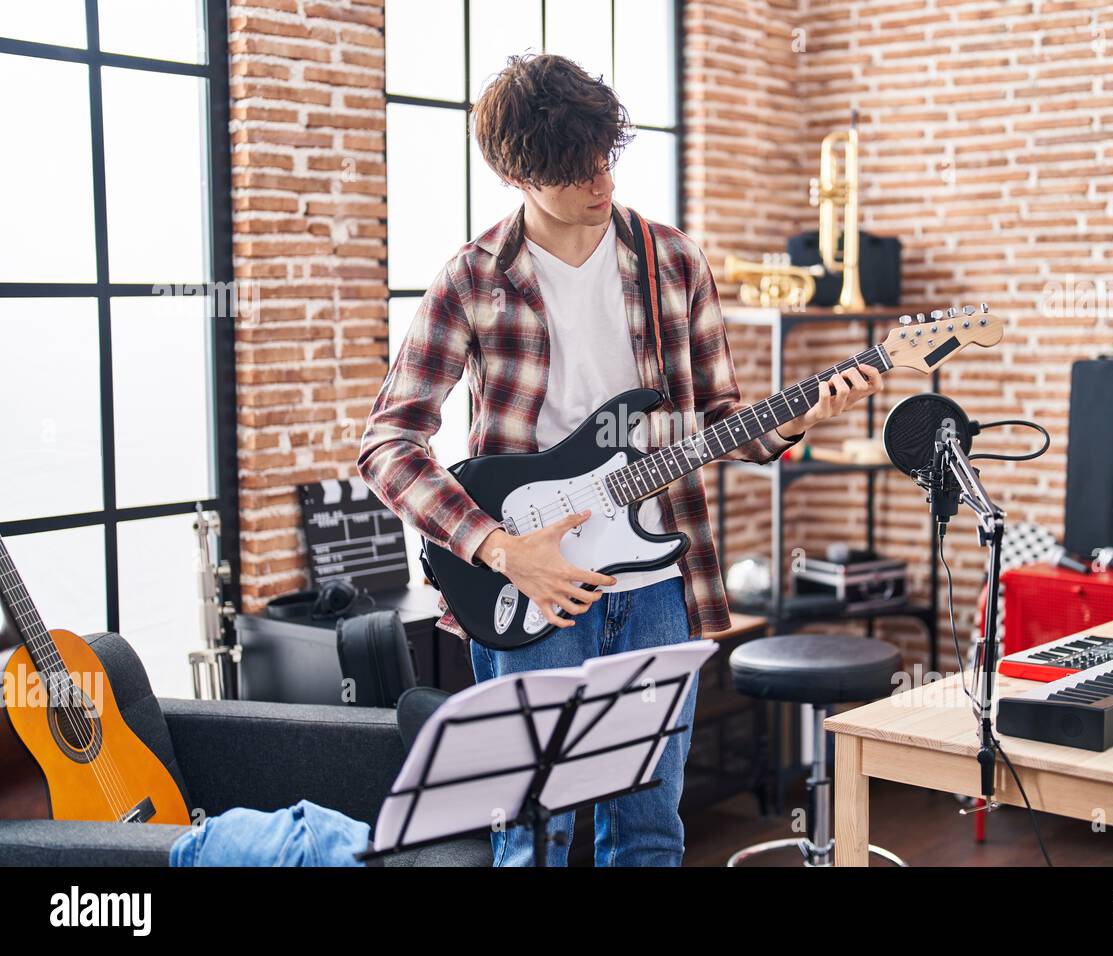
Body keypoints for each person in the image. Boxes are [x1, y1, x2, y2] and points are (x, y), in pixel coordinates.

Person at [357, 53, 880, 866]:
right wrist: (498, 547)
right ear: (518, 173)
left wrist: (795, 419)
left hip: (657, 590)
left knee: (648, 829)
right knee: (531, 832)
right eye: (573, 168)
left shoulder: (674, 261)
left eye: (605, 154)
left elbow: (719, 422)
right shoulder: (469, 280)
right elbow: (388, 443)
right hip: (531, 587)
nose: (599, 179)